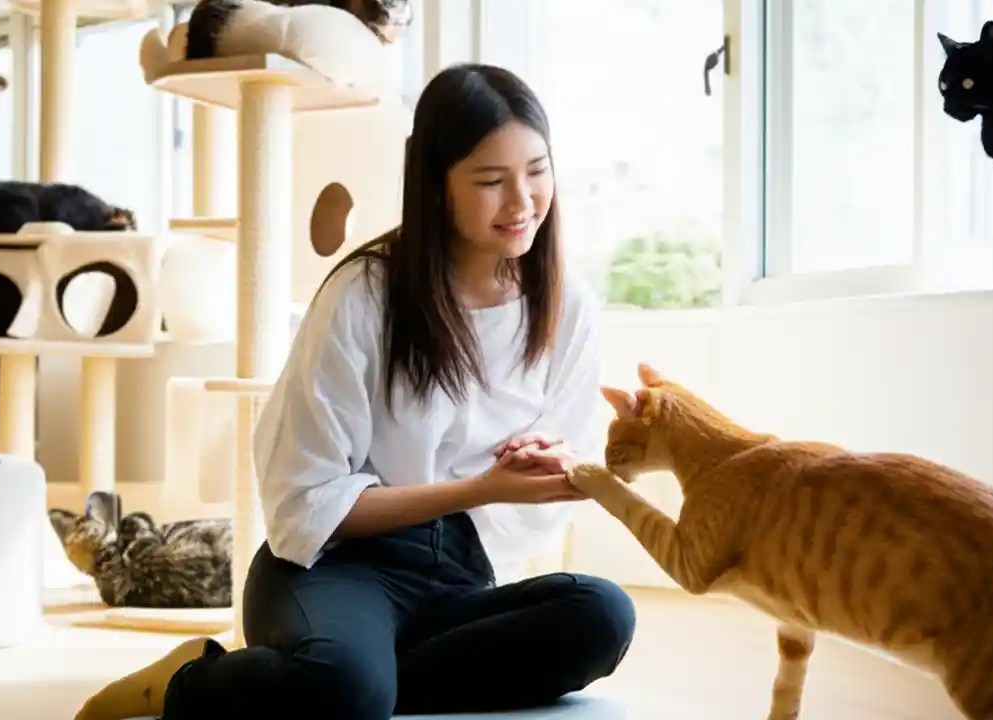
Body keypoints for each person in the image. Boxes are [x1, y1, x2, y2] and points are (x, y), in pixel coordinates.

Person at [74, 63, 636, 720]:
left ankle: (361, 676)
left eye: (537, 171)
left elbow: (554, 467)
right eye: (490, 180)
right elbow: (306, 500)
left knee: (602, 615)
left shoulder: (566, 305)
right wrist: (480, 486)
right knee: (344, 688)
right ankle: (186, 681)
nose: (521, 202)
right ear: (436, 187)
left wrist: (559, 462)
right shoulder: (364, 295)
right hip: (334, 568)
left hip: (458, 575)